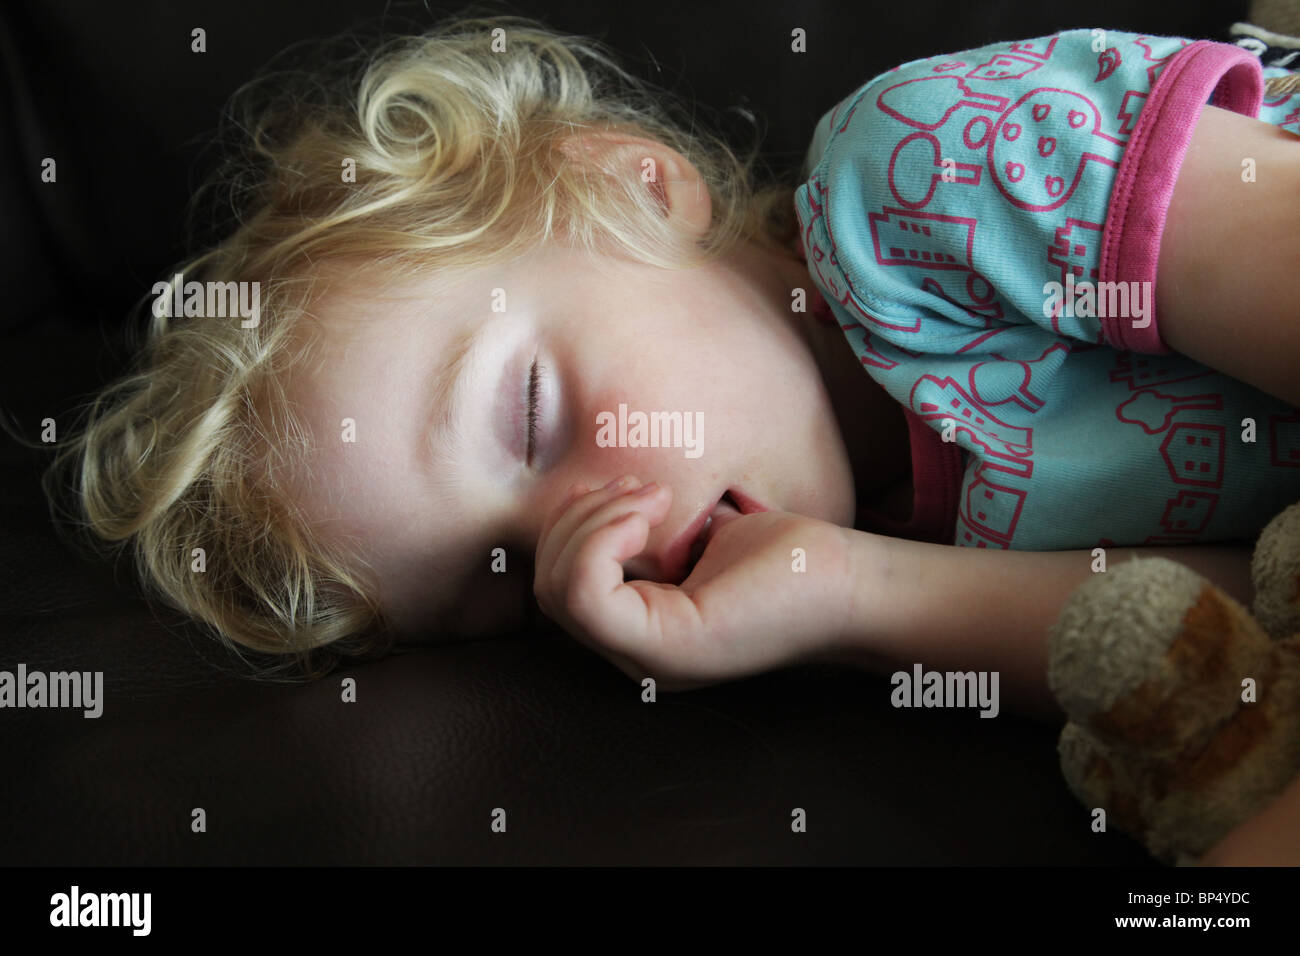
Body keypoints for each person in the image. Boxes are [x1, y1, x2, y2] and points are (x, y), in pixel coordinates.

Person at [43, 13, 1300, 864]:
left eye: (531, 418)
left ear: (631, 187)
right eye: (517, 579)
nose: (606, 542)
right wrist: (852, 594)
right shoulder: (860, 542)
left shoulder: (920, 177)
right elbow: (1222, 628)